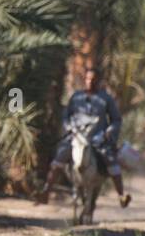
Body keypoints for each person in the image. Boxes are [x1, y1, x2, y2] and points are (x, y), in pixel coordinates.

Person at [35, 65, 132, 208]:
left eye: (93, 79)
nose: (89, 82)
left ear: (99, 81)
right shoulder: (76, 97)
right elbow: (66, 116)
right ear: (84, 80)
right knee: (58, 159)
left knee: (111, 161)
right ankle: (46, 192)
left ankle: (121, 196)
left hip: (97, 140)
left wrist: (107, 133)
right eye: (87, 79)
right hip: (76, 137)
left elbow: (116, 120)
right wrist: (69, 128)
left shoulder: (106, 99)